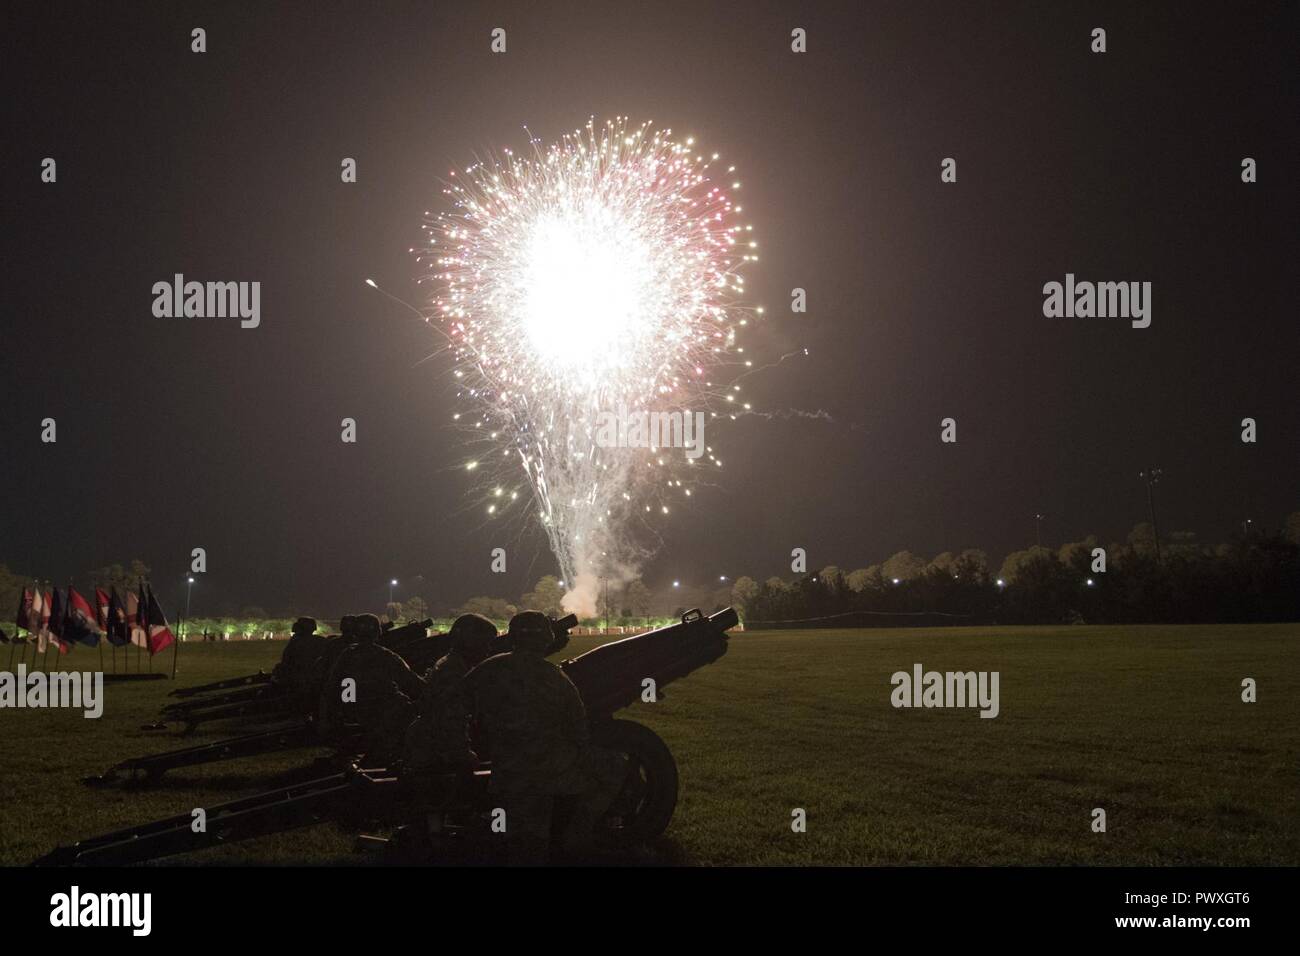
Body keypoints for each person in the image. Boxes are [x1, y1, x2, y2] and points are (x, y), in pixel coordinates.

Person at [467, 610, 626, 864]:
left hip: (505, 768)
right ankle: (578, 833)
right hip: (546, 772)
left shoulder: (489, 668)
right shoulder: (555, 678)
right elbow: (578, 729)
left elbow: (462, 701)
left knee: (525, 836)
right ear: (545, 640)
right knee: (614, 766)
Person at [320, 613, 425, 759]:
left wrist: (348, 708)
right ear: (377, 633)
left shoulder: (346, 656)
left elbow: (335, 687)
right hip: (383, 712)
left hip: (355, 712)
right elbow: (411, 681)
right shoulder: (385, 656)